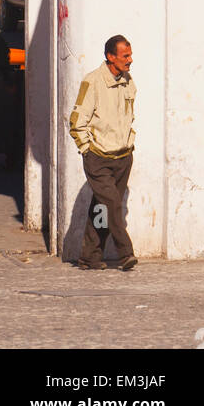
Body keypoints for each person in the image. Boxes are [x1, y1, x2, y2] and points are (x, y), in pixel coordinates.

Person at [68, 35, 137, 271]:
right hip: (99, 159)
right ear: (111, 57)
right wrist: (87, 150)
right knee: (113, 206)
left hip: (122, 158)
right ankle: (125, 252)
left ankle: (89, 256)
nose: (129, 60)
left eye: (129, 55)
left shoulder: (128, 81)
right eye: (125, 56)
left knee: (101, 209)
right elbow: (77, 121)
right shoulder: (93, 82)